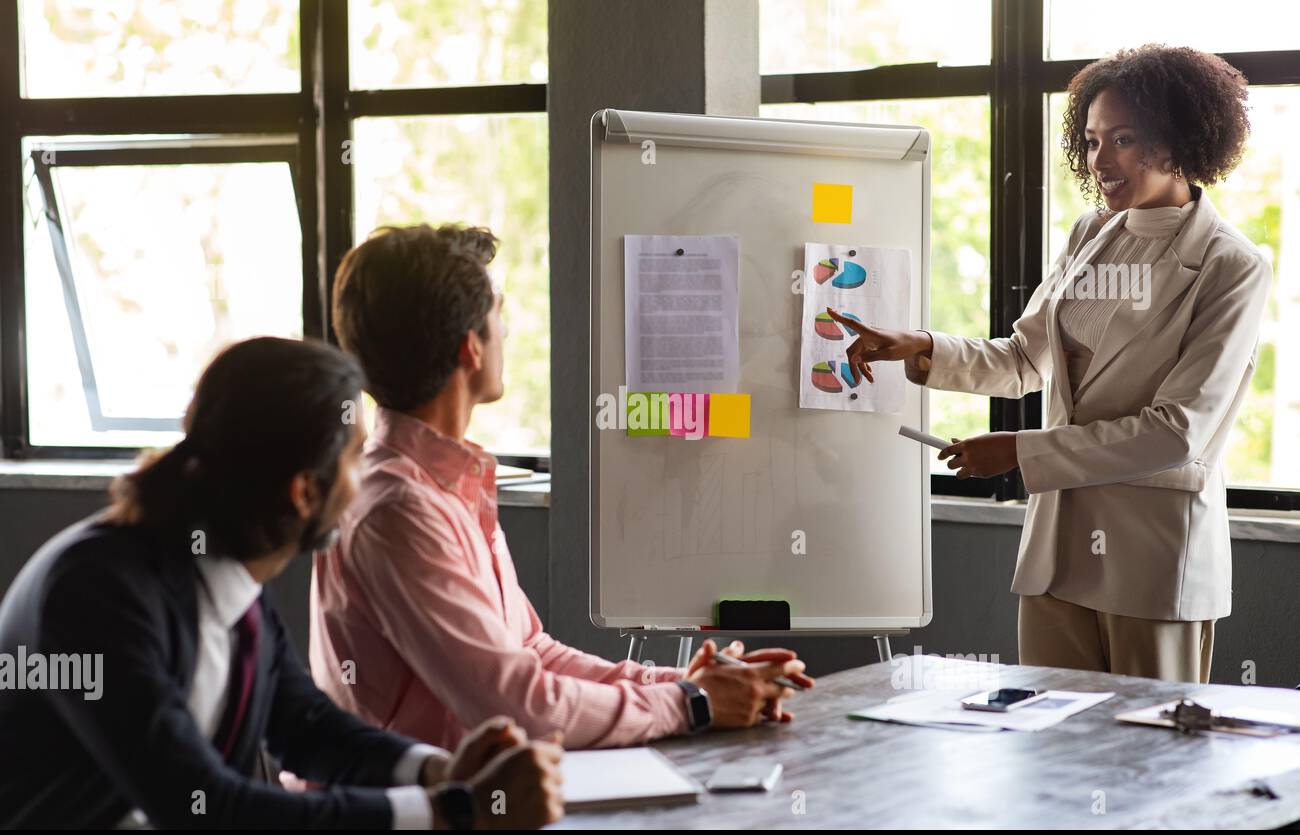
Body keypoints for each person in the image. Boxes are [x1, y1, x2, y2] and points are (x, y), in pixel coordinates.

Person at [828, 45, 1271, 683]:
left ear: (1181, 139)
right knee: (1052, 753)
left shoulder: (1231, 266)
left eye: (1124, 139)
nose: (1102, 160)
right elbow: (1023, 359)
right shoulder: (1091, 234)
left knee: (1147, 761)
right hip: (1057, 549)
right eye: (1091, 141)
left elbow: (1179, 431)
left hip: (1152, 559)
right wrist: (920, 346)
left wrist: (1021, 452)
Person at [0, 337, 562, 829]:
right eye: (354, 458)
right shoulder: (96, 596)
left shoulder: (222, 568)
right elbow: (207, 808)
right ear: (303, 493)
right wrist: (458, 813)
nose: (367, 477)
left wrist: (442, 770)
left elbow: (304, 726)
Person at [312, 224, 812, 751]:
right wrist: (695, 704)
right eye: (498, 314)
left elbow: (531, 651)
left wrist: (684, 685)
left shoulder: (443, 482)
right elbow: (514, 706)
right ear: (470, 349)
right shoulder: (399, 510)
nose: (506, 330)